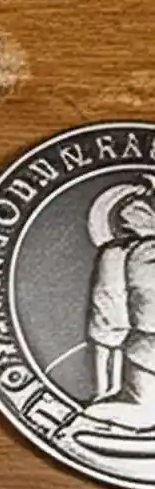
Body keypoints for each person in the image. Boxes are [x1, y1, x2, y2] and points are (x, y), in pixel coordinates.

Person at [83, 181, 155, 431]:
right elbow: (108, 321)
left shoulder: (117, 254)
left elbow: (107, 324)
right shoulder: (117, 255)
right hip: (144, 357)